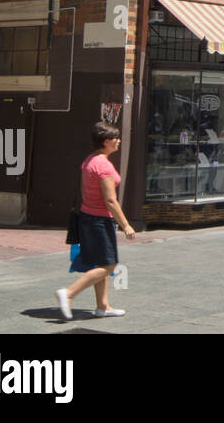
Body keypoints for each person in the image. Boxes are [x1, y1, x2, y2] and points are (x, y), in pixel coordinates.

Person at [56, 122, 136, 320]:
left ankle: (103, 306)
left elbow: (85, 191)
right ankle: (68, 294)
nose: (119, 141)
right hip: (100, 220)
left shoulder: (90, 160)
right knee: (108, 266)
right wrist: (125, 224)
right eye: (116, 138)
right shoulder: (103, 166)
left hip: (88, 217)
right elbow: (110, 200)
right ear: (106, 141)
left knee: (101, 263)